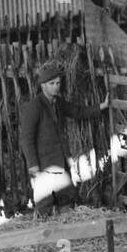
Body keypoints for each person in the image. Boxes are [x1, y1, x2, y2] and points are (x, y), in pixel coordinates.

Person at [19, 60, 108, 217]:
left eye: (58, 83)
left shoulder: (58, 103)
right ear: (43, 85)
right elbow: (26, 138)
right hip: (44, 163)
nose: (56, 86)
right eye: (52, 83)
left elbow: (78, 112)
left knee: (66, 199)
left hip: (60, 160)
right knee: (44, 202)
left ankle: (65, 231)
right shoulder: (34, 107)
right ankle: (42, 234)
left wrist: (101, 106)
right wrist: (33, 165)